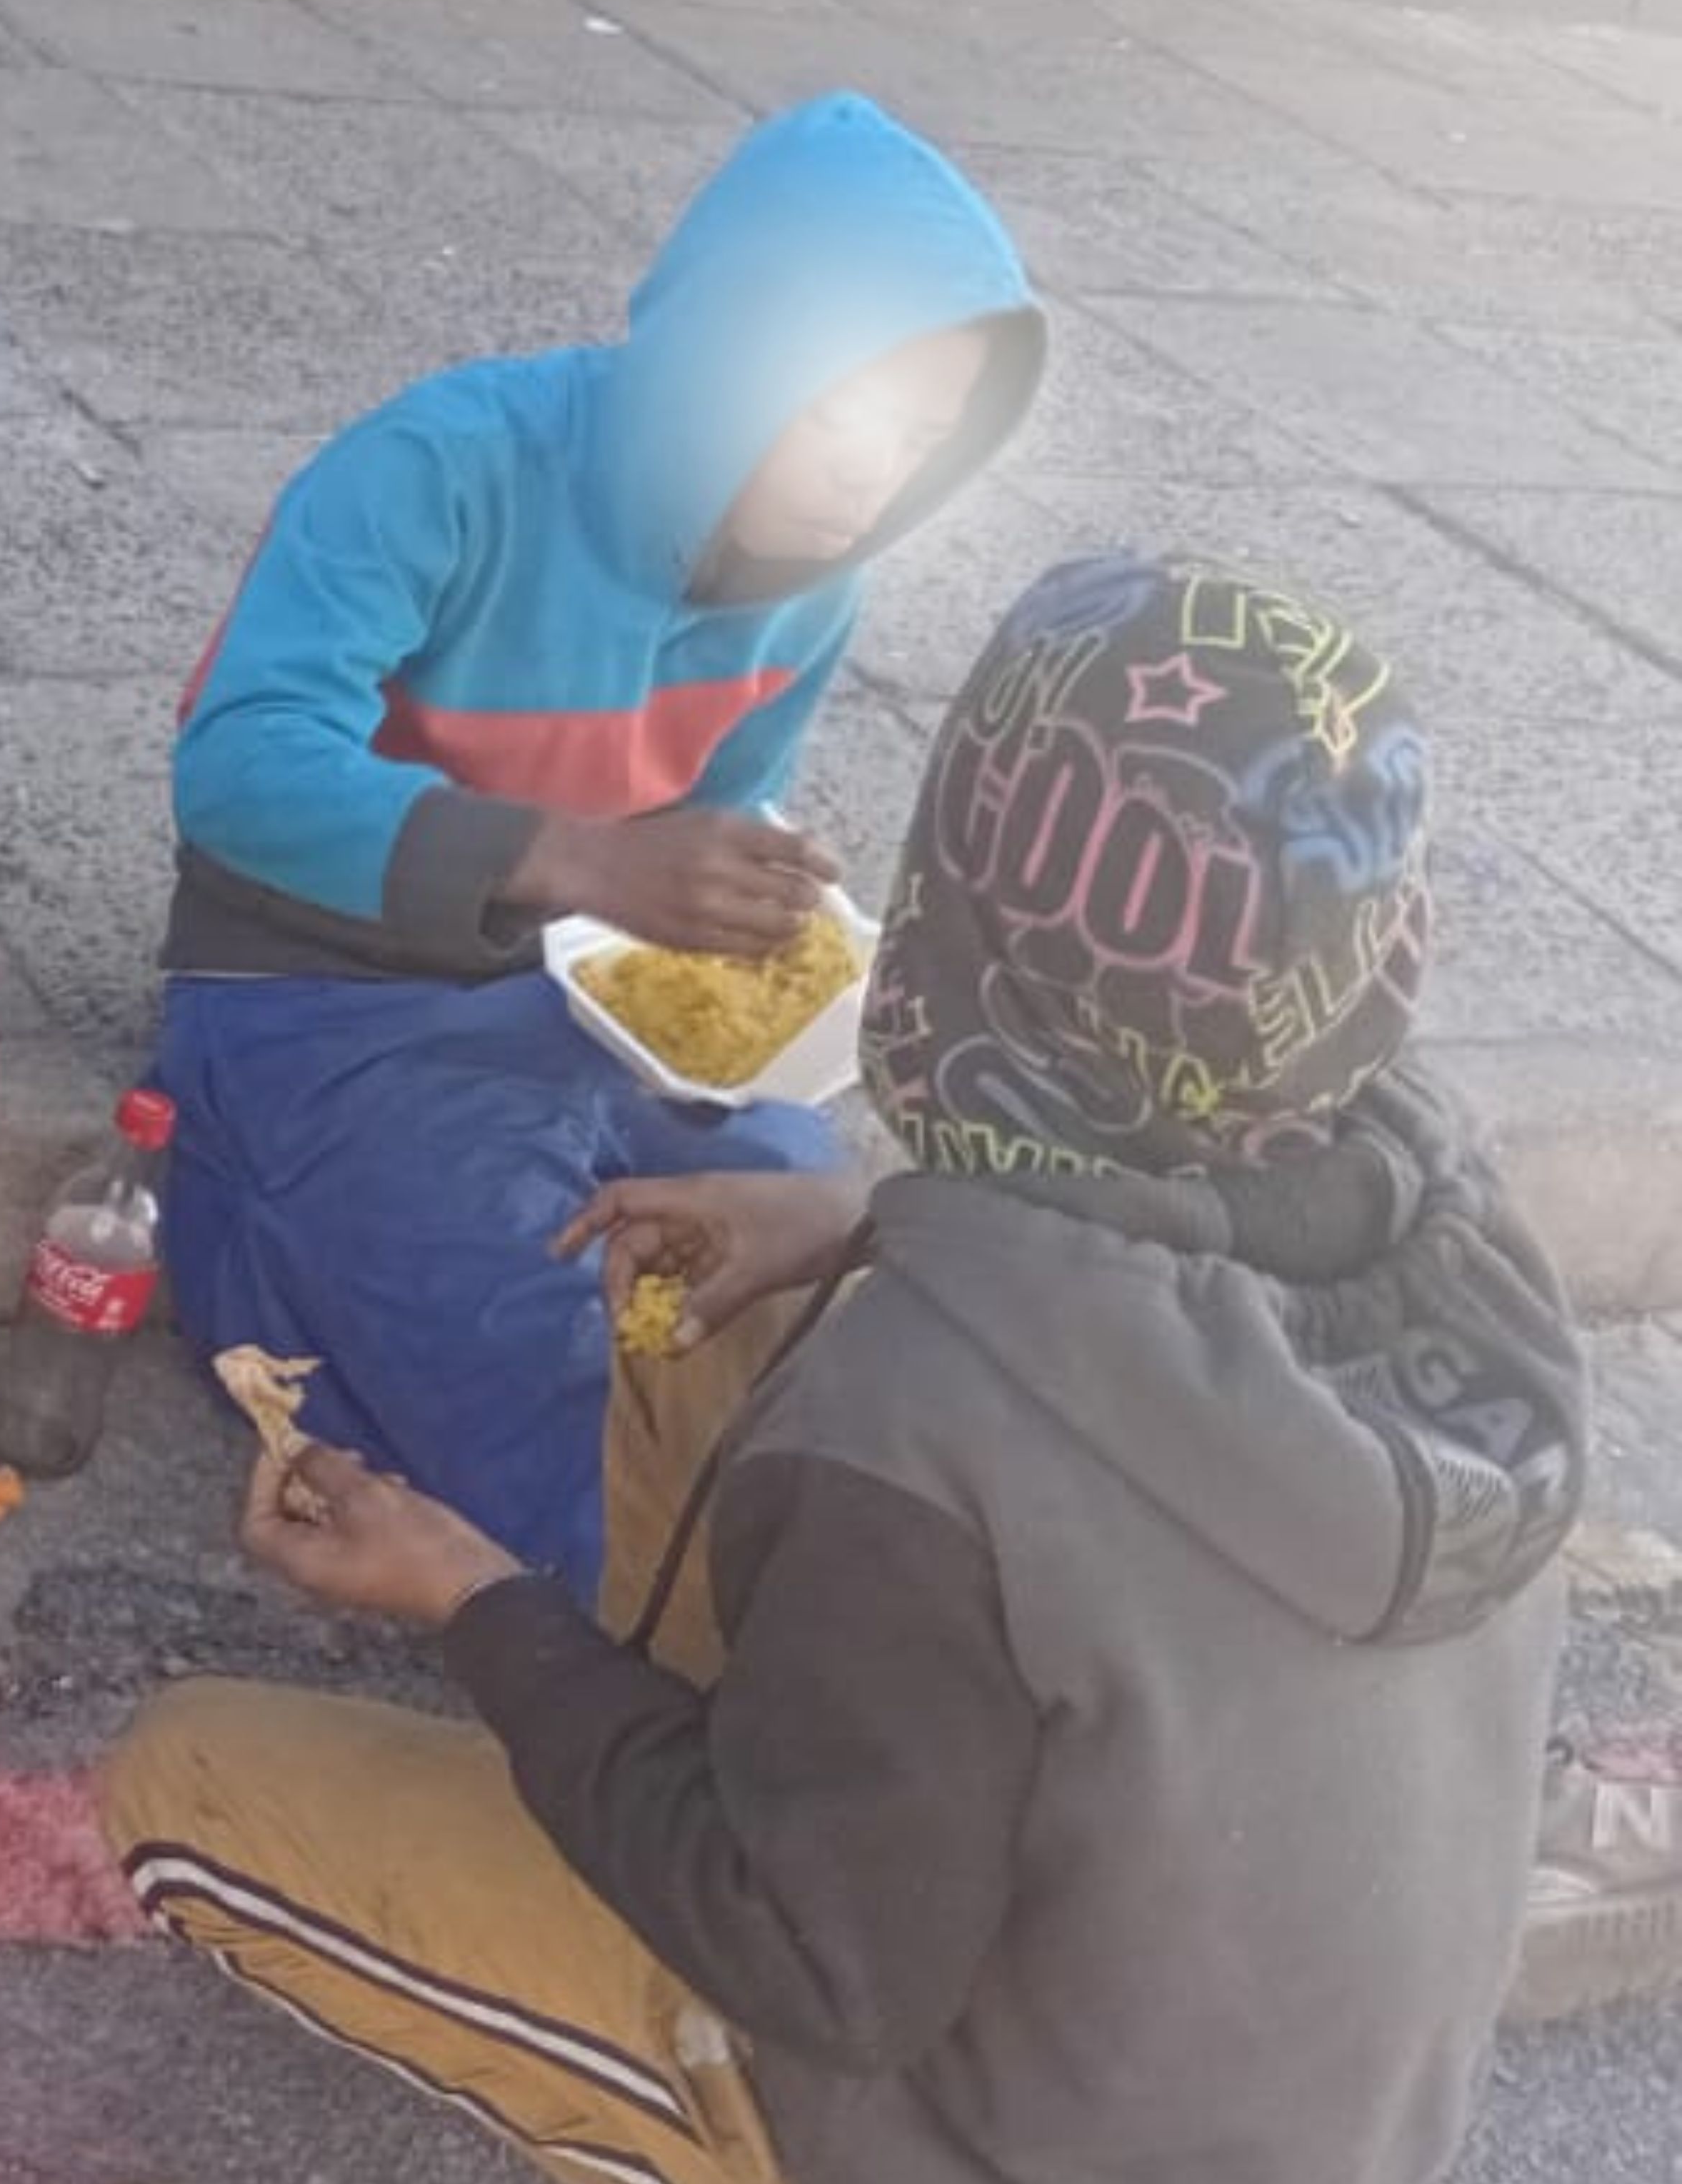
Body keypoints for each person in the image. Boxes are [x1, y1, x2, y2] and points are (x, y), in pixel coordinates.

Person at [101, 555, 1579, 2184]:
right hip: (1288, 2097)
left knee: (189, 1780)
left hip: (959, 2119)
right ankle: (749, 1723)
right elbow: (1179, 1279)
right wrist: (864, 1216)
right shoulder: (1447, 1208)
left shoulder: (917, 1421)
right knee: (714, 1319)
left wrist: (476, 1601)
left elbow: (824, 1969)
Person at [151, 92, 1041, 1598]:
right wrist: (577, 857)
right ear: (731, 360)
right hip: (317, 986)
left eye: (921, 438)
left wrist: (752, 905)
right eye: (842, 413)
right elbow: (236, 769)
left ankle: (863, 1581)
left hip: (592, 1013)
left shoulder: (816, 584)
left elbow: (721, 815)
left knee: (797, 1240)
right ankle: (677, 1636)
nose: (872, 477)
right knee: (522, 1325)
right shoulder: (445, 465)